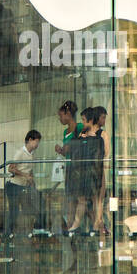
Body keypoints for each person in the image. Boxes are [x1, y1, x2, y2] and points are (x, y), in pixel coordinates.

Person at [65, 108, 105, 234]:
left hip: (92, 173)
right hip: (84, 173)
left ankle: (96, 224)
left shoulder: (98, 138)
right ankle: (80, 224)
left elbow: (99, 156)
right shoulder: (81, 138)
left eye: (83, 120)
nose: (82, 123)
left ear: (90, 120)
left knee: (93, 199)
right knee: (83, 199)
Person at [3, 129, 42, 238]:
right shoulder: (20, 153)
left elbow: (29, 170)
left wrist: (31, 180)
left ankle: (29, 230)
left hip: (24, 186)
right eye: (36, 142)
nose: (37, 145)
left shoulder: (32, 155)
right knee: (14, 210)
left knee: (29, 208)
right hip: (14, 186)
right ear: (30, 140)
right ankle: (8, 233)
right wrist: (25, 175)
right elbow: (11, 168)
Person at [53, 100, 84, 231]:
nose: (60, 118)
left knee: (80, 197)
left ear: (68, 114)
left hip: (79, 167)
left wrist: (68, 147)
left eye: (61, 115)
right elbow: (68, 151)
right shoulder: (66, 131)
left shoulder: (80, 127)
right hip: (69, 167)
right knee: (70, 197)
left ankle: (78, 223)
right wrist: (61, 150)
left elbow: (82, 146)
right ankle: (70, 223)